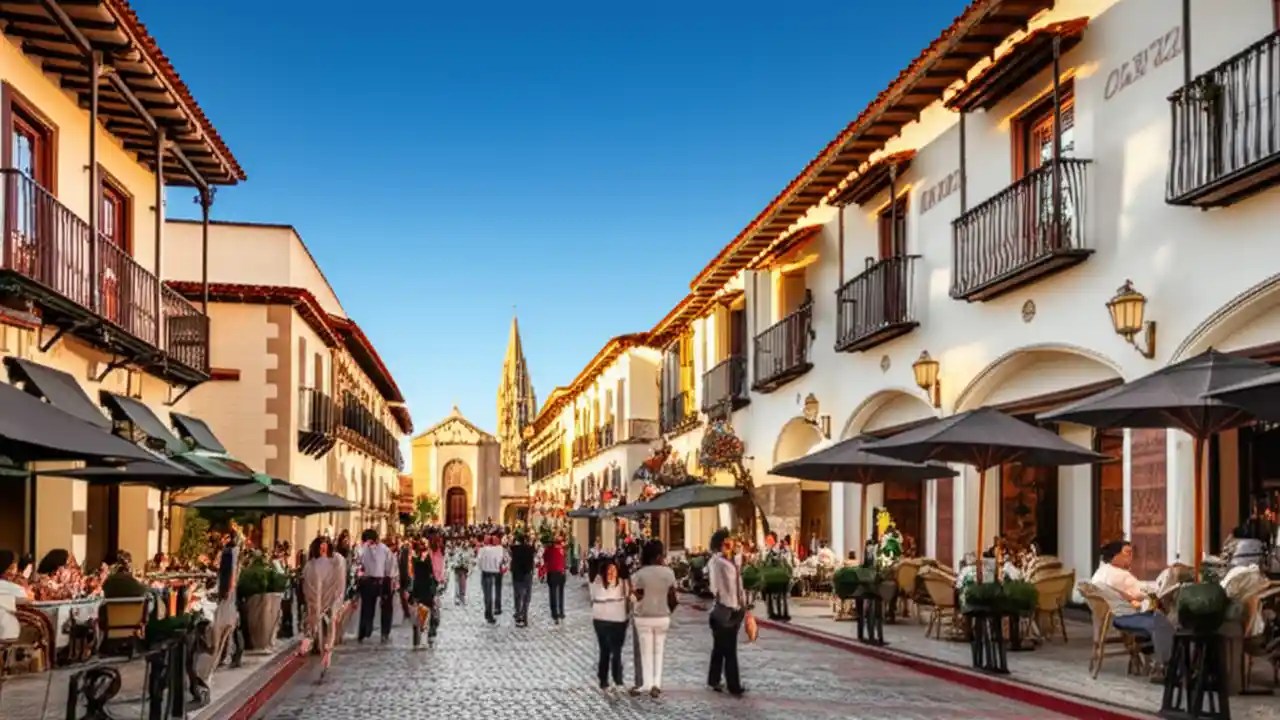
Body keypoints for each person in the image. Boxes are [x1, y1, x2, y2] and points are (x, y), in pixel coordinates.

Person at [1092, 540, 1174, 675]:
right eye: (1127, 553)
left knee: (1155, 614)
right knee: (1161, 620)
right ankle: (1164, 665)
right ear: (1115, 556)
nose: (1130, 557)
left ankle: (1151, 660)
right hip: (1123, 616)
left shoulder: (1101, 572)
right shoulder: (1120, 575)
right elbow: (1143, 591)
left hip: (1109, 616)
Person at [630, 539, 677, 698]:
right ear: (659, 556)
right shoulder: (668, 573)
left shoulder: (639, 574)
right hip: (662, 615)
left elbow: (635, 594)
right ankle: (657, 683)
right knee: (659, 650)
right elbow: (673, 596)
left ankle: (646, 683)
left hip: (644, 616)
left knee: (646, 651)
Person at [707, 528, 748, 696]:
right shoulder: (717, 562)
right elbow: (714, 587)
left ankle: (714, 679)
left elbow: (739, 584)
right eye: (726, 543)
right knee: (729, 650)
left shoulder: (733, 561)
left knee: (720, 647)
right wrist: (723, 598)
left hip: (736, 609)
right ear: (720, 545)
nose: (730, 545)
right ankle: (734, 685)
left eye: (731, 542)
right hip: (724, 610)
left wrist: (744, 604)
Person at [301, 536, 346, 674]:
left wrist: (337, 600)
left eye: (325, 545)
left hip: (331, 597)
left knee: (331, 621)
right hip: (317, 598)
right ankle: (311, 640)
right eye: (320, 546)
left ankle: (328, 650)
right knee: (314, 620)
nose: (323, 549)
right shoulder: (311, 565)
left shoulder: (337, 560)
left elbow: (339, 581)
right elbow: (308, 583)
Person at [589, 555, 628, 692]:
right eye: (609, 571)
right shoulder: (597, 583)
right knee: (605, 650)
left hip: (618, 620)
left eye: (614, 571)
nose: (612, 574)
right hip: (602, 621)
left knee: (616, 651)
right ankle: (604, 679)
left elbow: (631, 597)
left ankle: (618, 679)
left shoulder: (623, 583)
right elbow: (592, 596)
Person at [355, 529, 396, 643]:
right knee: (367, 608)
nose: (368, 544)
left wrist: (390, 579)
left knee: (386, 609)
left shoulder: (385, 550)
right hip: (367, 581)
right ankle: (364, 632)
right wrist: (360, 575)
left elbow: (390, 565)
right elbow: (359, 564)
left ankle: (385, 633)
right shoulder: (362, 549)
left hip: (383, 580)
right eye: (366, 542)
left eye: (370, 542)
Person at [409, 536, 447, 647]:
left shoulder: (434, 556)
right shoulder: (421, 558)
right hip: (425, 587)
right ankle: (423, 636)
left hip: (426, 587)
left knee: (427, 612)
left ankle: (426, 635)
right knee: (423, 613)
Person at [762, 532, 793, 622]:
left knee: (778, 596)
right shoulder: (768, 552)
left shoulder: (774, 552)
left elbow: (786, 564)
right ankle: (776, 614)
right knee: (776, 596)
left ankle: (778, 614)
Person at [477, 535, 505, 625]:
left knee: (487, 595)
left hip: (485, 572)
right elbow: (500, 560)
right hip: (494, 572)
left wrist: (483, 566)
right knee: (494, 592)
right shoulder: (499, 549)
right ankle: (495, 609)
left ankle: (489, 612)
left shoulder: (482, 549)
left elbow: (479, 561)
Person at [509, 532, 535, 627]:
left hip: (517, 575)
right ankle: (524, 615)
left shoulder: (514, 549)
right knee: (526, 597)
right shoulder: (530, 549)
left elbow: (509, 547)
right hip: (527, 574)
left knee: (518, 595)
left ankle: (518, 614)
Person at [544, 534, 567, 624]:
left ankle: (555, 613)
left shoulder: (549, 550)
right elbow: (564, 559)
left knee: (553, 593)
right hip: (561, 572)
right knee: (561, 592)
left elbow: (545, 559)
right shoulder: (562, 550)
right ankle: (561, 611)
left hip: (552, 573)